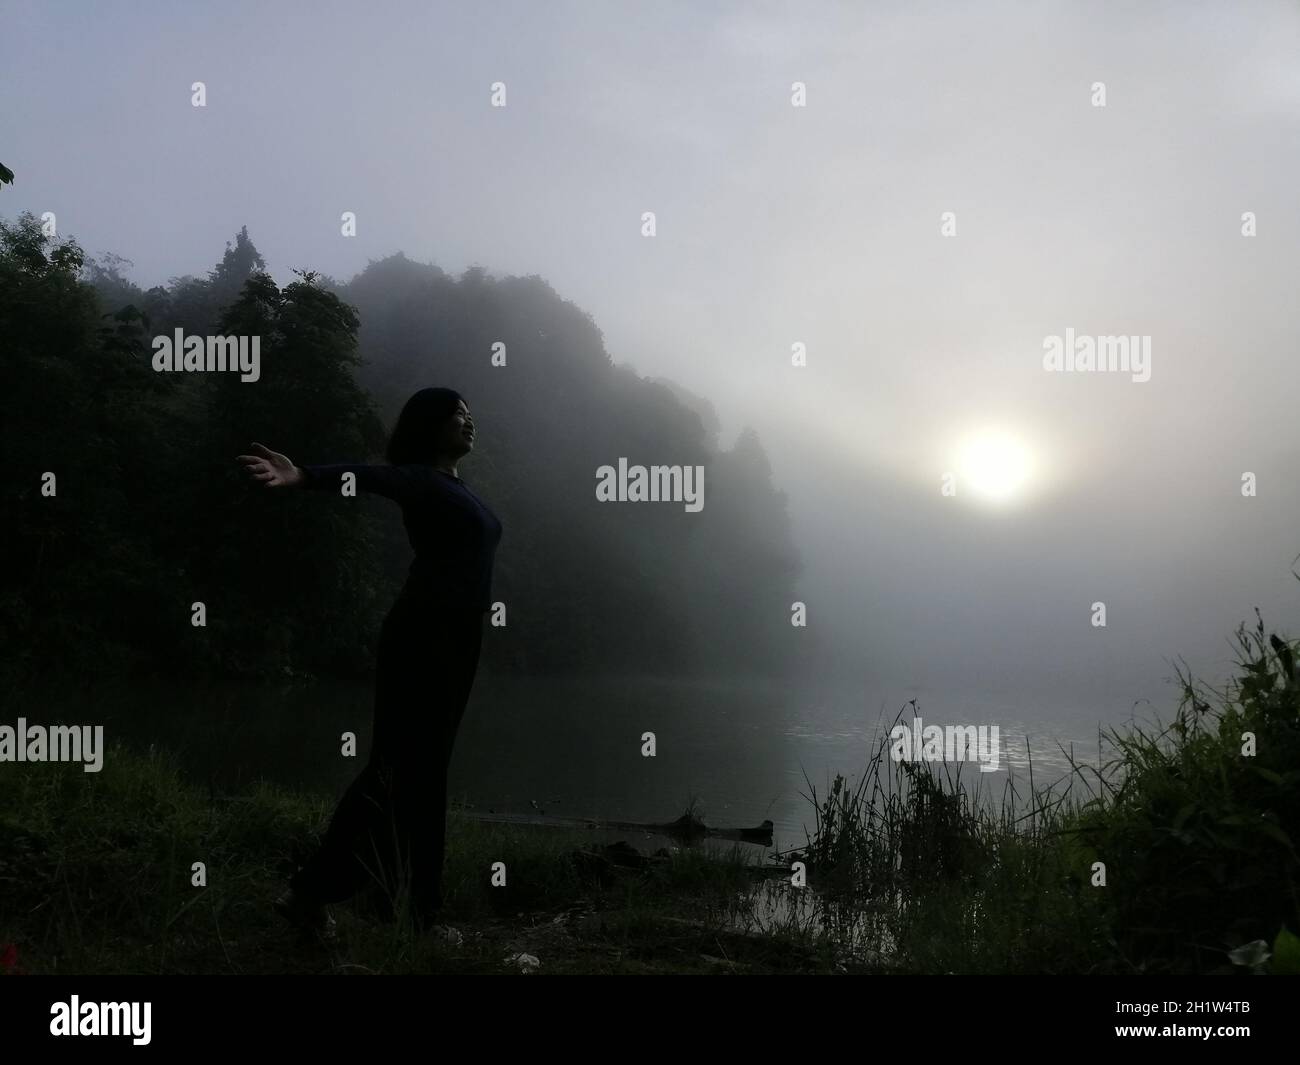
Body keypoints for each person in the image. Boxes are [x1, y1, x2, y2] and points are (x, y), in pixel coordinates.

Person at [237, 387, 502, 936]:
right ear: (430, 425)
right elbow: (371, 477)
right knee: (400, 770)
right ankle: (339, 899)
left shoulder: (457, 487)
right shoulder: (418, 478)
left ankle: (398, 907)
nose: (468, 422)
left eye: (471, 414)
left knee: (421, 774)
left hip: (458, 637)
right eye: (457, 415)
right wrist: (305, 475)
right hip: (424, 632)